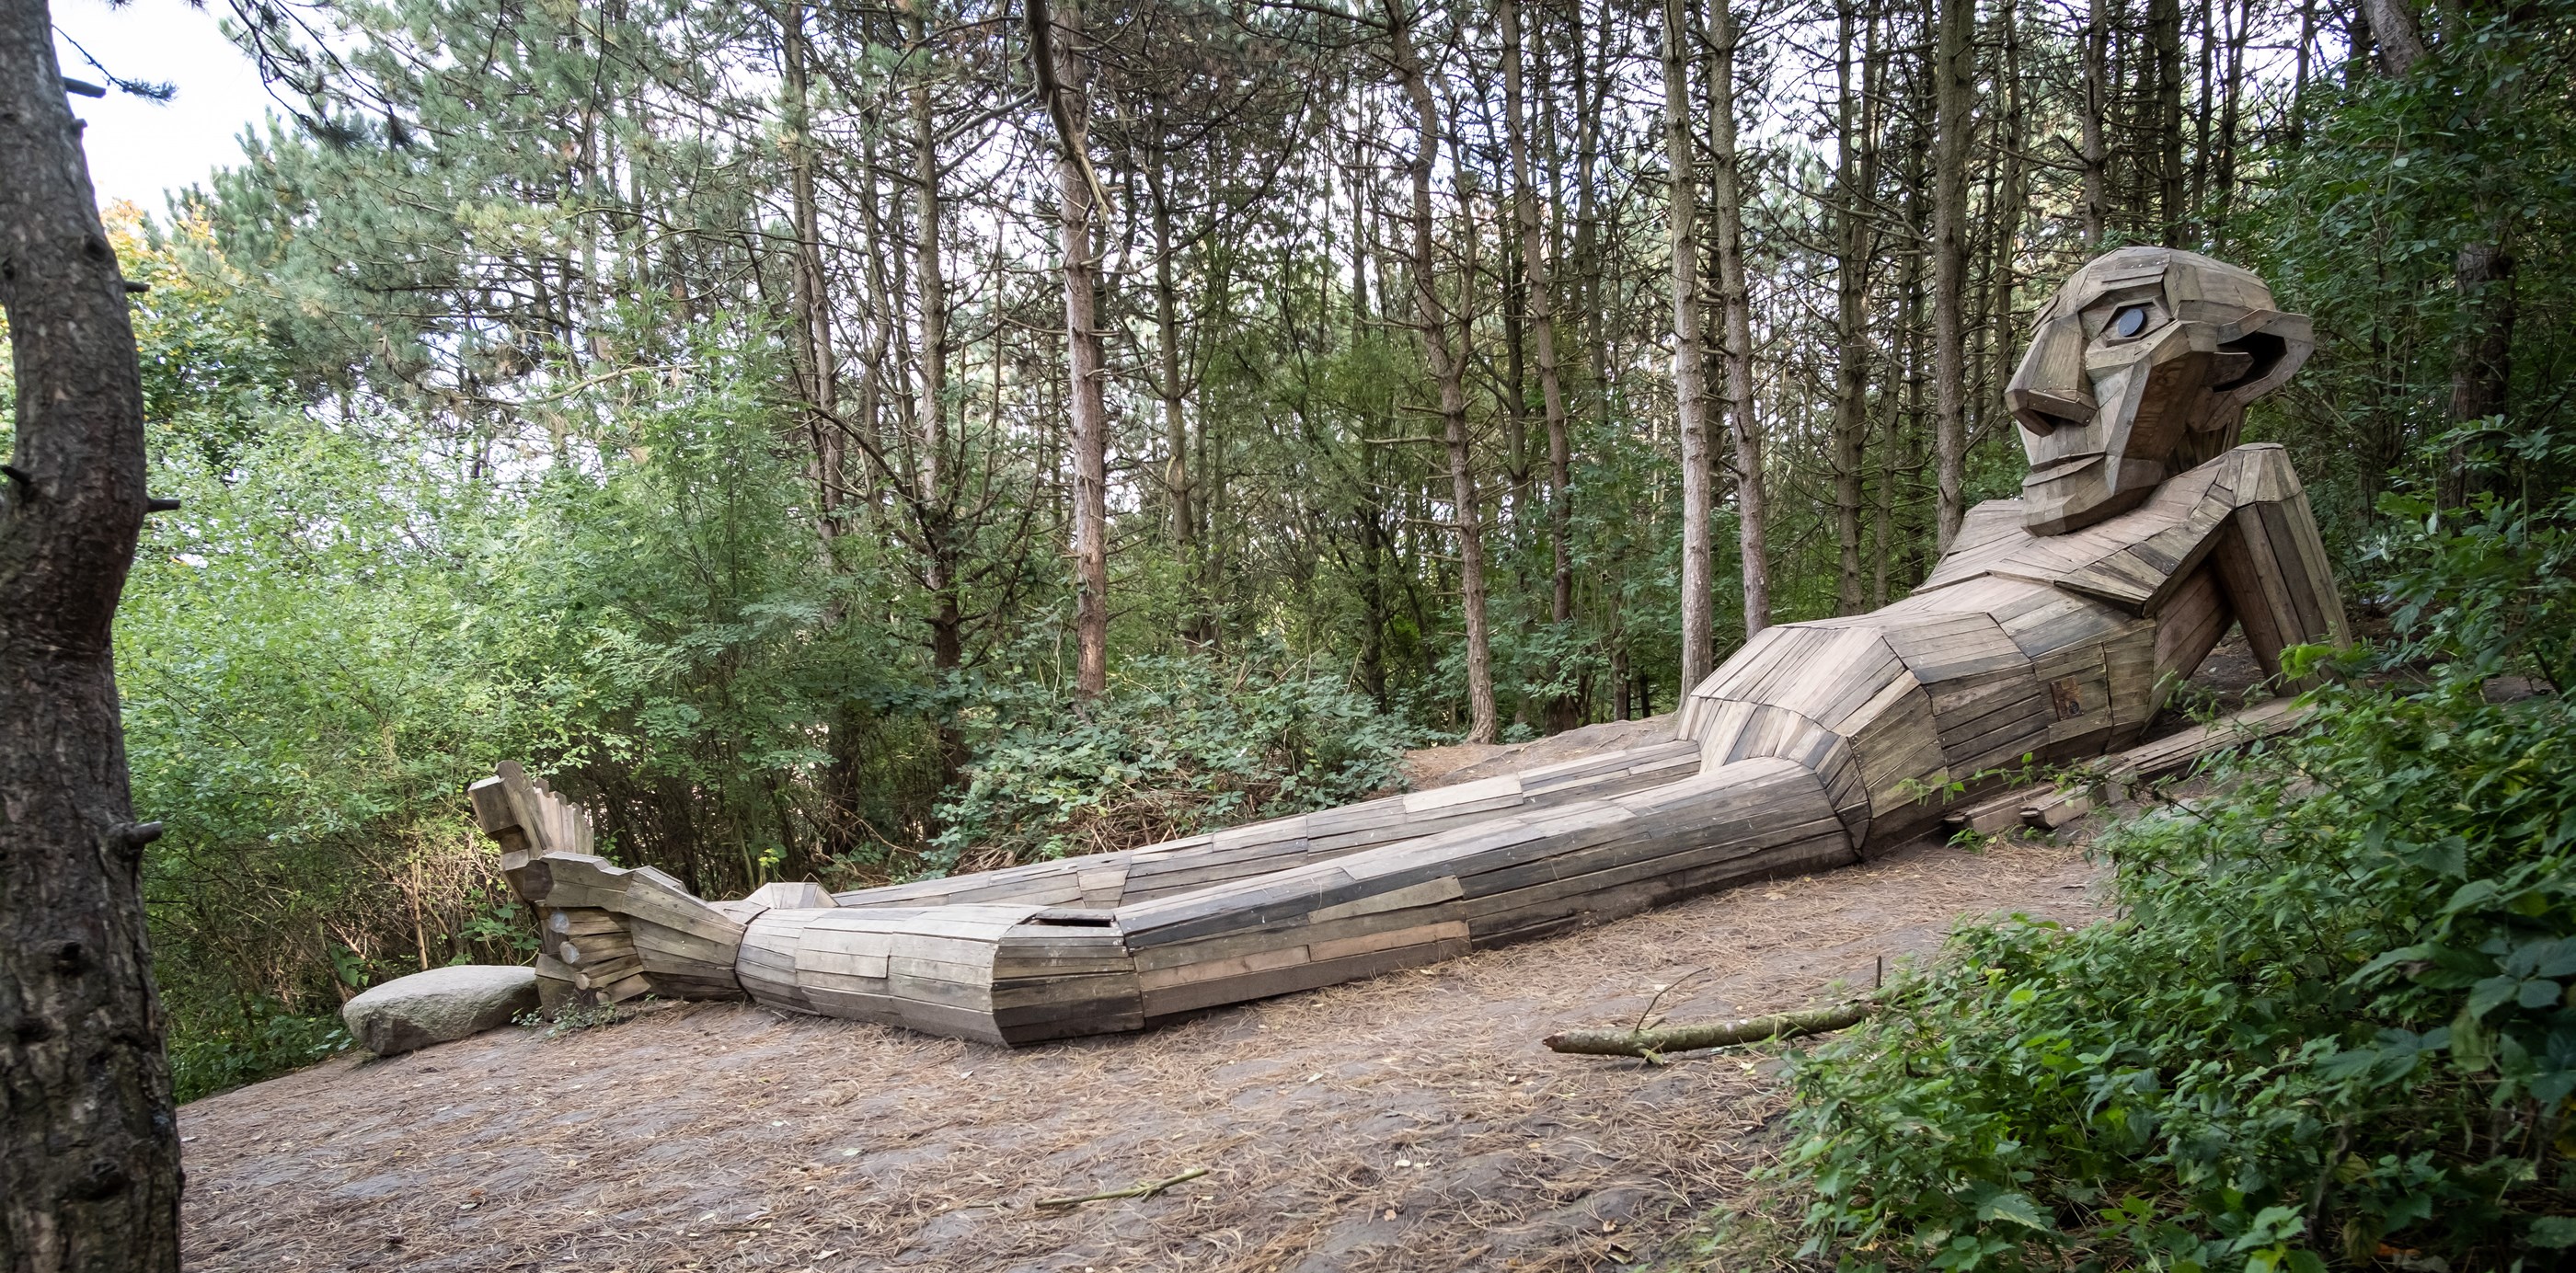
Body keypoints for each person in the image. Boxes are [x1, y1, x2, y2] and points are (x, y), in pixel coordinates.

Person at [475, 247, 2344, 1046]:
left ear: (2210, 359)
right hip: (1805, 669)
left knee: (1436, 869)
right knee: (1338, 833)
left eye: (2099, 328)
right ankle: (787, 917)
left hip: (1885, 742)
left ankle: (755, 943)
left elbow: (2318, 697)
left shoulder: (2236, 482)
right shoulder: (2011, 521)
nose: (2039, 378)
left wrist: (2131, 778)